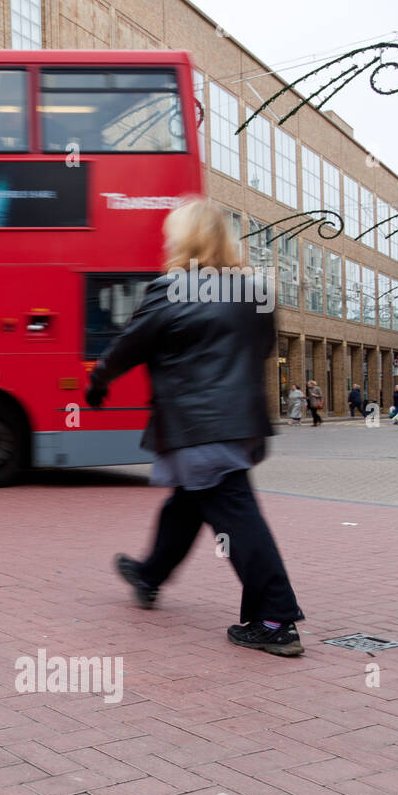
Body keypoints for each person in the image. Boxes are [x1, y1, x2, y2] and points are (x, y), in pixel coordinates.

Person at [86, 198, 305, 656]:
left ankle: (275, 619)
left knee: (235, 514)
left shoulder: (172, 288)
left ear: (183, 240)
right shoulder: (254, 292)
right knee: (188, 503)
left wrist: (98, 380)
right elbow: (262, 350)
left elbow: (131, 345)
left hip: (197, 425)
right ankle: (150, 575)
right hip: (240, 423)